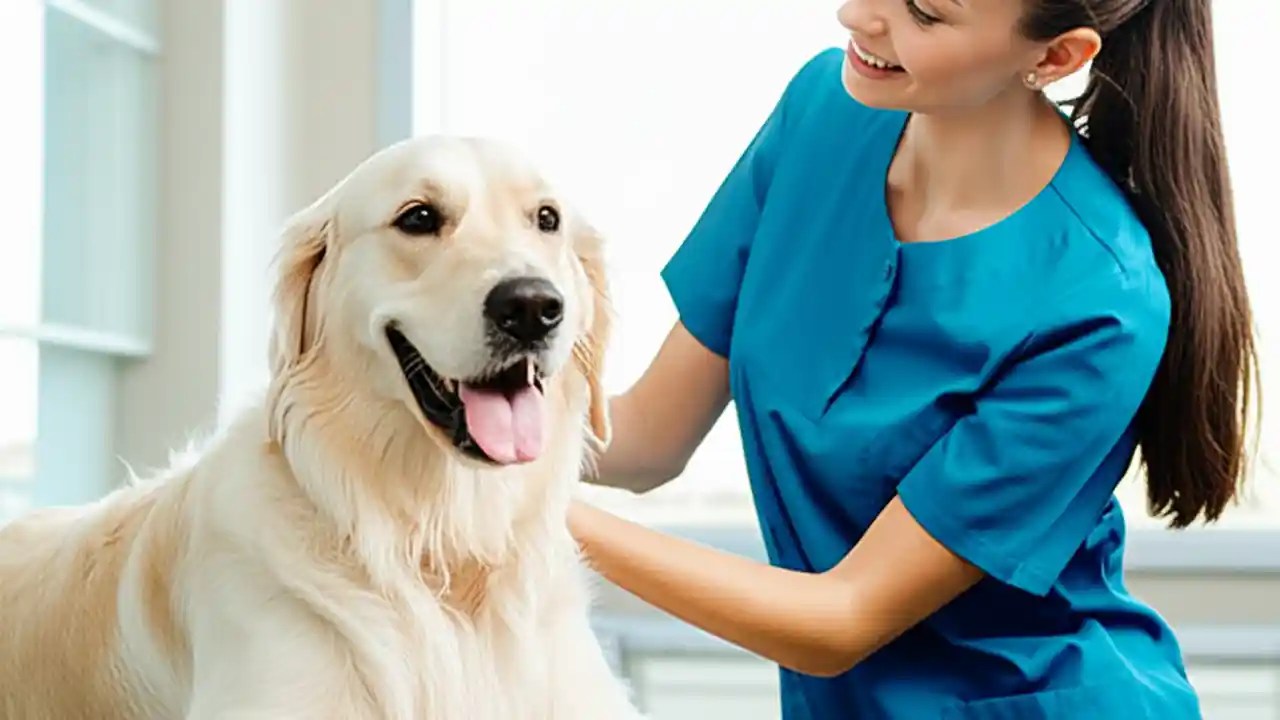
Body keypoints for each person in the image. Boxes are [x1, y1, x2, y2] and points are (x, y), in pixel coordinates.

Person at [567, 0, 1260, 718]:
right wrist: (455, 416)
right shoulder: (822, 113)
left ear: (1054, 58)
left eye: (925, 13)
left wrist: (529, 519)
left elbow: (842, 619)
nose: (856, 15)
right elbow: (647, 437)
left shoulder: (1100, 302)